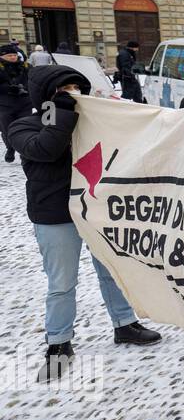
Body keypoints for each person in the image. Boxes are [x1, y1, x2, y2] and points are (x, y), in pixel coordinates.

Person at [9, 65, 163, 382]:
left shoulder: (89, 123)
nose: (73, 95)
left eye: (76, 89)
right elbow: (47, 148)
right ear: (47, 96)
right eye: (64, 90)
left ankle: (124, 324)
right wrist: (62, 110)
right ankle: (59, 343)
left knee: (112, 271)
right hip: (54, 216)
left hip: (96, 210)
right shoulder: (24, 125)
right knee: (62, 283)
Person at [1, 42, 31, 162]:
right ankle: (10, 148)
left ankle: (24, 152)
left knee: (25, 127)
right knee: (7, 129)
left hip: (24, 103)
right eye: (9, 55)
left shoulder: (25, 66)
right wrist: (8, 89)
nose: (13, 57)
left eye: (14, 55)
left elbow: (32, 80)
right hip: (4, 104)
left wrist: (26, 88)